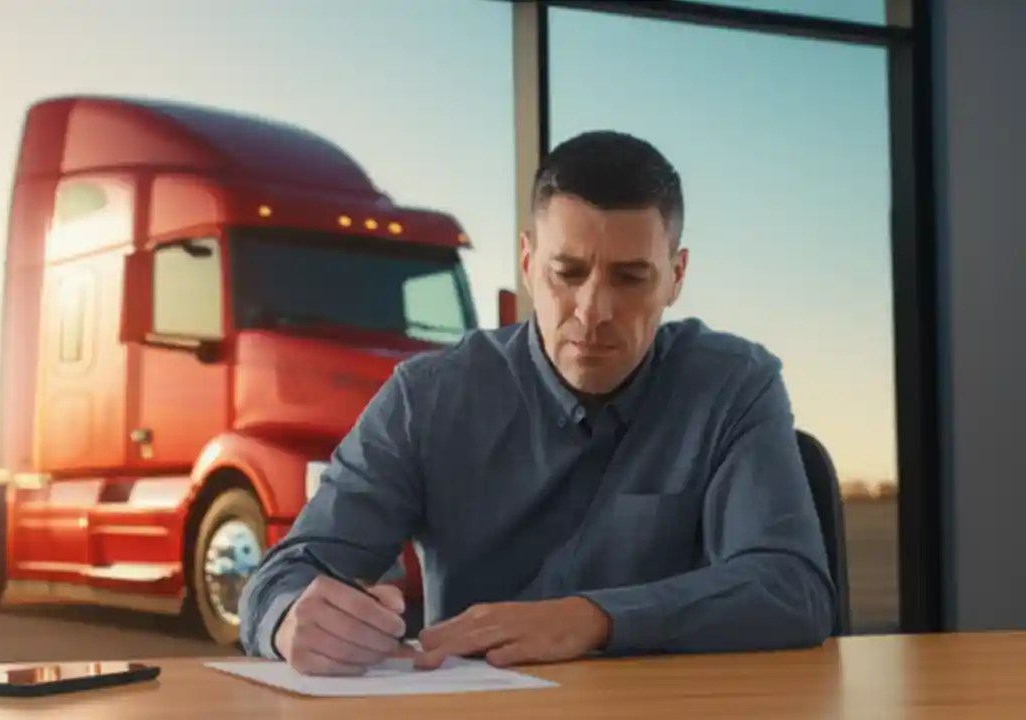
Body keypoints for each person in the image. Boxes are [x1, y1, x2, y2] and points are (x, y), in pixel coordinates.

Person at [238, 130, 835, 676]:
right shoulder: (426, 398)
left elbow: (792, 587)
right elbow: (283, 577)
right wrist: (293, 619)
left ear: (675, 277)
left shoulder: (733, 384)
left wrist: (592, 618)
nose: (592, 311)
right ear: (527, 263)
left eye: (631, 278)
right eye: (567, 273)